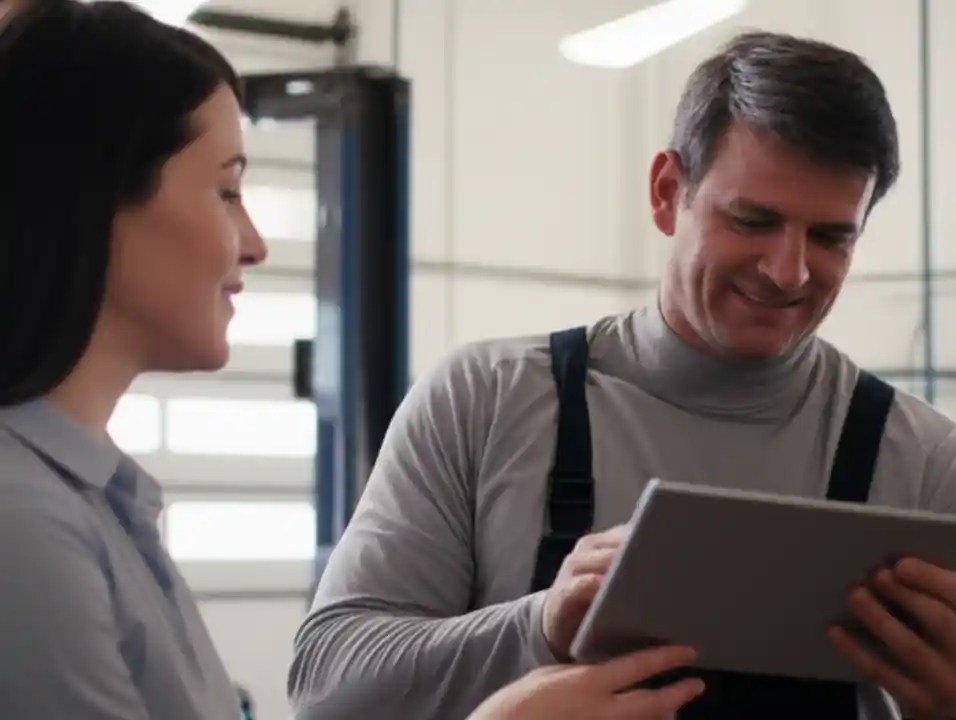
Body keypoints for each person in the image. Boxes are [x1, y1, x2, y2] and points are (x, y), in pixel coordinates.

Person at [289, 28, 956, 720]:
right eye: (752, 220)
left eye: (830, 237)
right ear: (668, 193)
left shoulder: (932, 468)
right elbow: (328, 688)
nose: (788, 270)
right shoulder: (483, 402)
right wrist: (536, 626)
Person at [0, 2, 704, 719]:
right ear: (96, 194)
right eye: (227, 189)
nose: (255, 243)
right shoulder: (25, 527)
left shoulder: (98, 505)